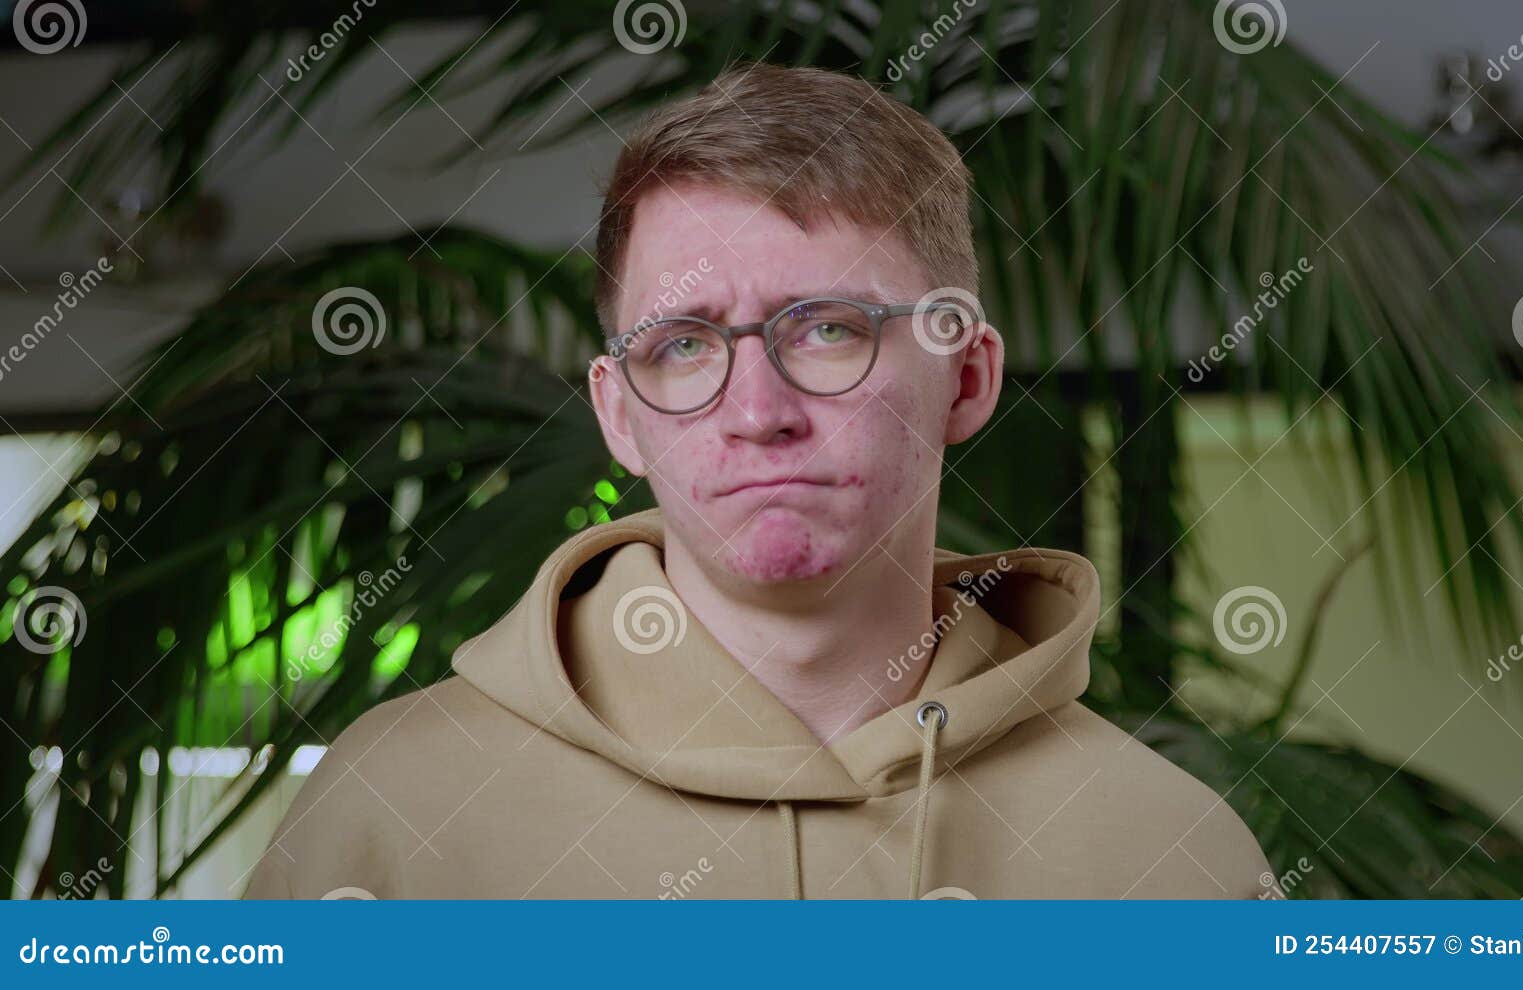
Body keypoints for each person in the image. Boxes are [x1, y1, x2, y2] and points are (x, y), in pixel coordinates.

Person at [244, 62, 1274, 900]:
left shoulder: (1172, 858)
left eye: (828, 329)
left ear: (966, 378)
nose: (756, 411)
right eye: (685, 346)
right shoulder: (392, 814)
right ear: (617, 412)